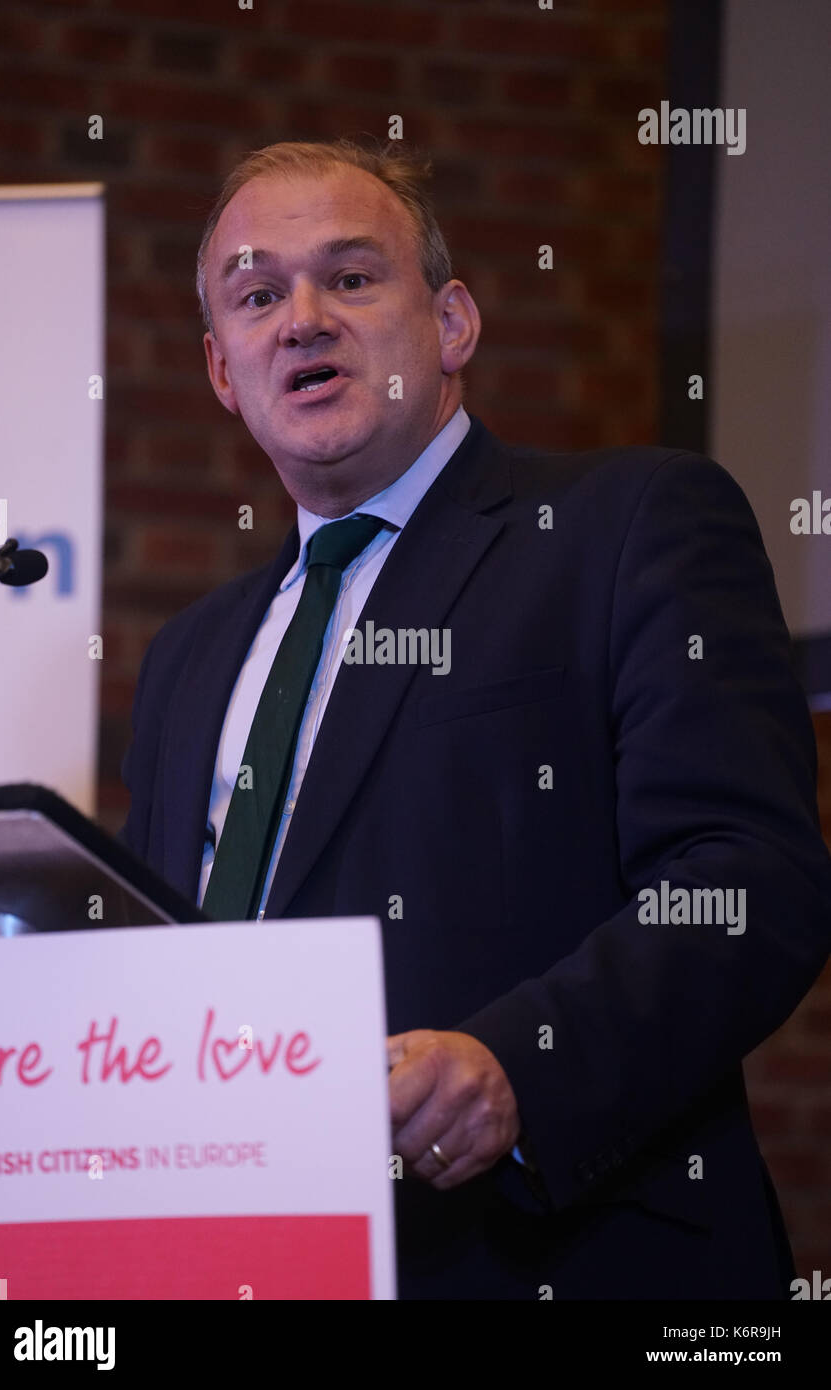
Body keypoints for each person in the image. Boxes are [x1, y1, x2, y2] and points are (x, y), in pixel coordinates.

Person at [120, 138, 831, 1300]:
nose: (300, 319)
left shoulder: (629, 526)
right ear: (220, 367)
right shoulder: (189, 658)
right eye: (257, 294)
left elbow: (752, 878)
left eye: (350, 278)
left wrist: (520, 1064)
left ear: (451, 324)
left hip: (553, 1259)